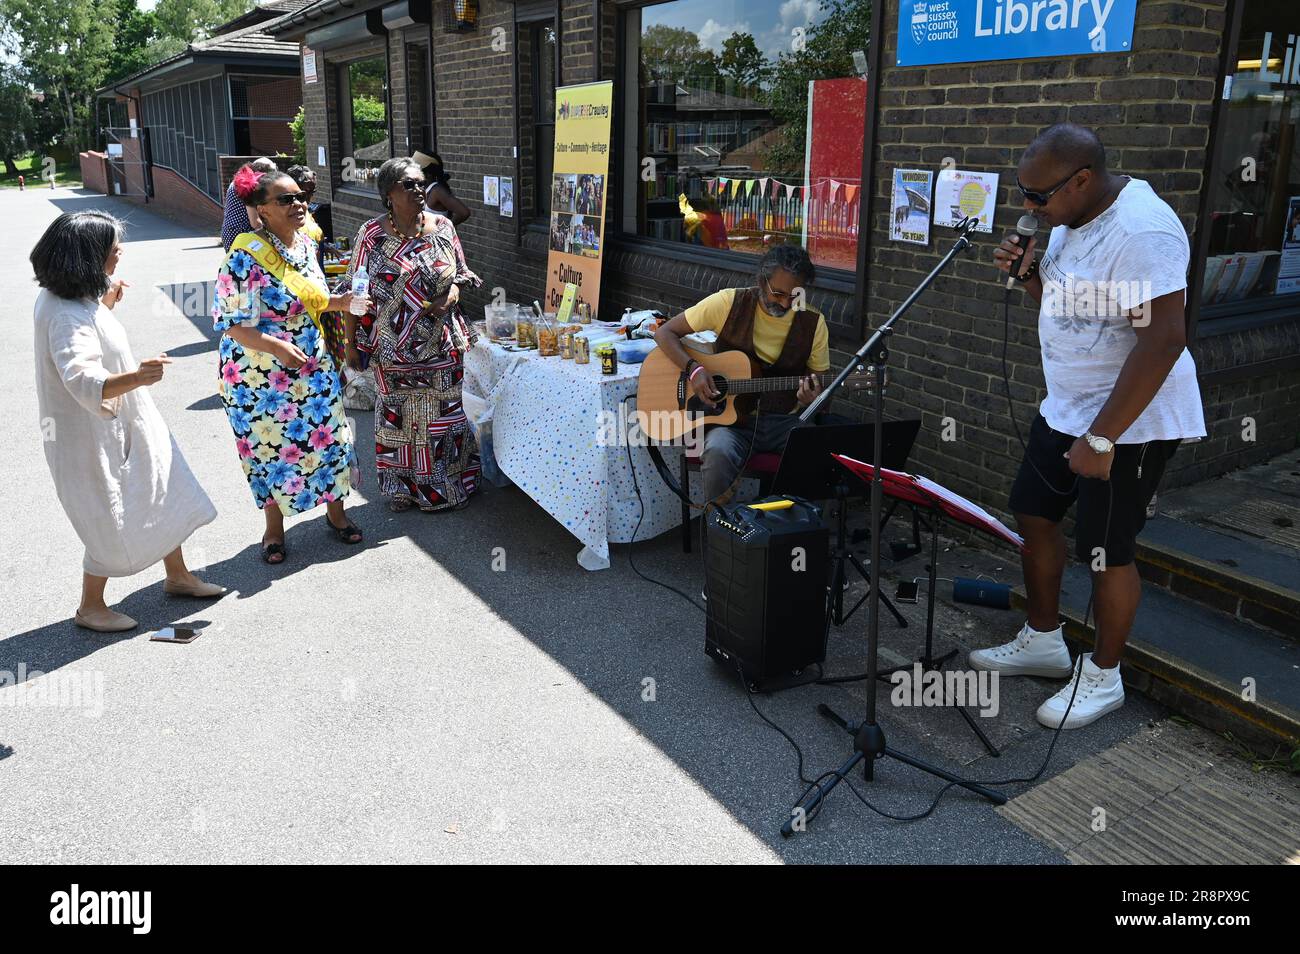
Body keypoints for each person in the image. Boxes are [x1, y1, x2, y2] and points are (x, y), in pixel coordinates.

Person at [977, 123, 1207, 729]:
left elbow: (1163, 338)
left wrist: (1103, 437)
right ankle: (1045, 639)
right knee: (1033, 512)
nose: (1029, 210)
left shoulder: (1141, 230)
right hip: (1068, 406)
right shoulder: (1070, 220)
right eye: (1022, 194)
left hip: (1129, 419)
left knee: (1106, 551)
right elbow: (1071, 307)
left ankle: (1103, 676)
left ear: (1081, 179)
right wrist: (1029, 275)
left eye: (1037, 197)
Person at [31, 211, 224, 632]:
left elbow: (87, 325)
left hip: (124, 419)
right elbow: (80, 376)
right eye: (112, 248)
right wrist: (138, 376)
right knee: (108, 511)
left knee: (163, 482)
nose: (119, 252)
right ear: (86, 256)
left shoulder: (73, 298)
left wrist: (106, 300)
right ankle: (90, 606)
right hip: (92, 434)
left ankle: (178, 575)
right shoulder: (67, 314)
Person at [213, 166, 363, 563]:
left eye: (300, 197)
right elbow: (233, 325)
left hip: (312, 365)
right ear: (261, 209)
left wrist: (340, 303)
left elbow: (310, 299)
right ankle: (274, 530)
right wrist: (277, 347)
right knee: (270, 450)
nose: (298, 204)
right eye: (286, 199)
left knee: (329, 438)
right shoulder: (243, 255)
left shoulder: (305, 243)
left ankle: (337, 515)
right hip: (259, 375)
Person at [345, 156, 482, 512]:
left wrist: (450, 295)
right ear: (388, 193)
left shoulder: (443, 227)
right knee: (398, 421)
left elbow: (460, 275)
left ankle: (447, 486)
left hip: (441, 341)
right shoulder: (371, 236)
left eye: (421, 183)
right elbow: (354, 292)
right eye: (409, 184)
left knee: (444, 417)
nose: (419, 190)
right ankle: (402, 489)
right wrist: (349, 344)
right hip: (391, 345)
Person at [654, 244, 830, 501]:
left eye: (794, 296)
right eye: (778, 293)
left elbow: (822, 390)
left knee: (815, 450)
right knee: (718, 452)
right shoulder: (728, 303)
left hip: (785, 422)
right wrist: (694, 369)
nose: (785, 303)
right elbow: (664, 333)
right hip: (730, 422)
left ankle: (788, 528)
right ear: (761, 280)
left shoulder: (814, 323)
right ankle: (720, 530)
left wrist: (812, 401)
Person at [221, 156, 276, 251]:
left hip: (231, 231)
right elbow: (255, 223)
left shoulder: (241, 180)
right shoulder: (249, 185)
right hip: (240, 234)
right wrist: (273, 238)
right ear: (265, 173)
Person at [415, 151, 470, 226]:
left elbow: (464, 212)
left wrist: (445, 229)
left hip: (436, 237)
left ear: (428, 174)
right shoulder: (423, 188)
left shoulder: (437, 191)